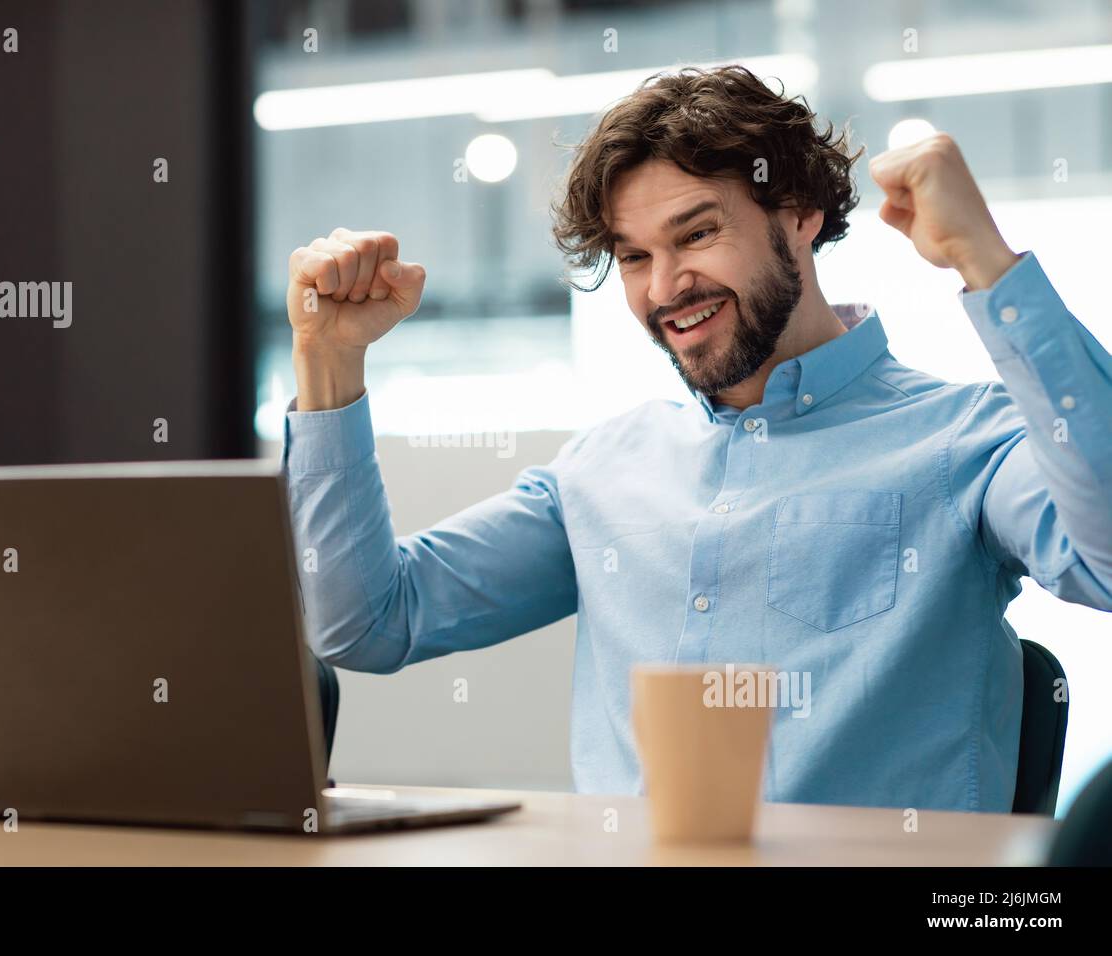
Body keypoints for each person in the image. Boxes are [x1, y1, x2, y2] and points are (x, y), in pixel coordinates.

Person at [278, 66, 1112, 813]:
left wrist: (987, 262)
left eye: (697, 234)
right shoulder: (603, 471)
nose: (667, 287)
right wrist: (329, 362)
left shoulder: (965, 441)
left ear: (798, 214)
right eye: (634, 256)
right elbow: (366, 622)